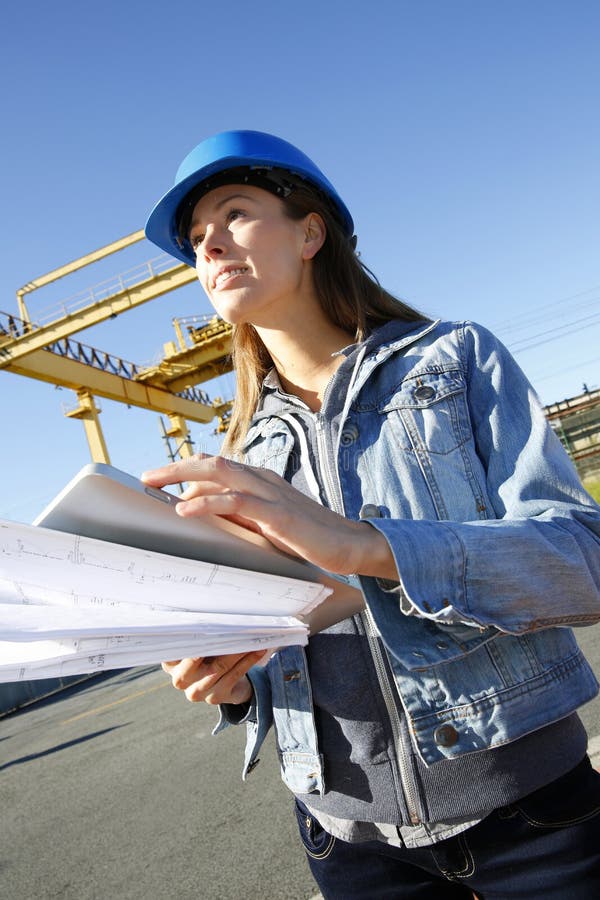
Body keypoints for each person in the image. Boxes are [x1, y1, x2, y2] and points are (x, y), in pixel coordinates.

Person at [143, 130, 600, 898]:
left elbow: (583, 563)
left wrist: (366, 545)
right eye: (195, 239)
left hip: (534, 817)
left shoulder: (452, 362)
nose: (210, 245)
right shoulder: (237, 456)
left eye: (235, 214)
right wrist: (234, 683)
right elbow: (288, 643)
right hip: (348, 845)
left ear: (311, 230)